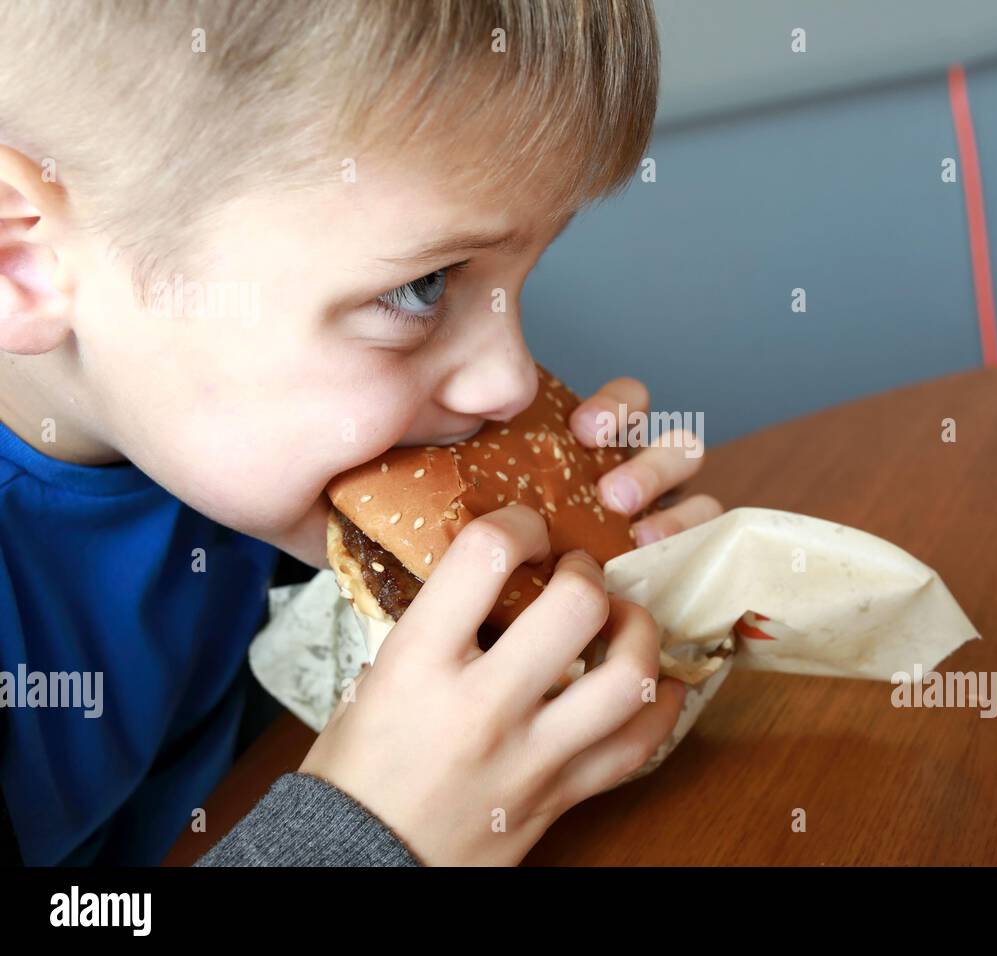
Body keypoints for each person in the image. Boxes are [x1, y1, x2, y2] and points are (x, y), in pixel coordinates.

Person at [0, 0, 719, 865]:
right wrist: (367, 836)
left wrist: (604, 596)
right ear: (24, 258)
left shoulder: (228, 424)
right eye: (425, 287)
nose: (513, 381)